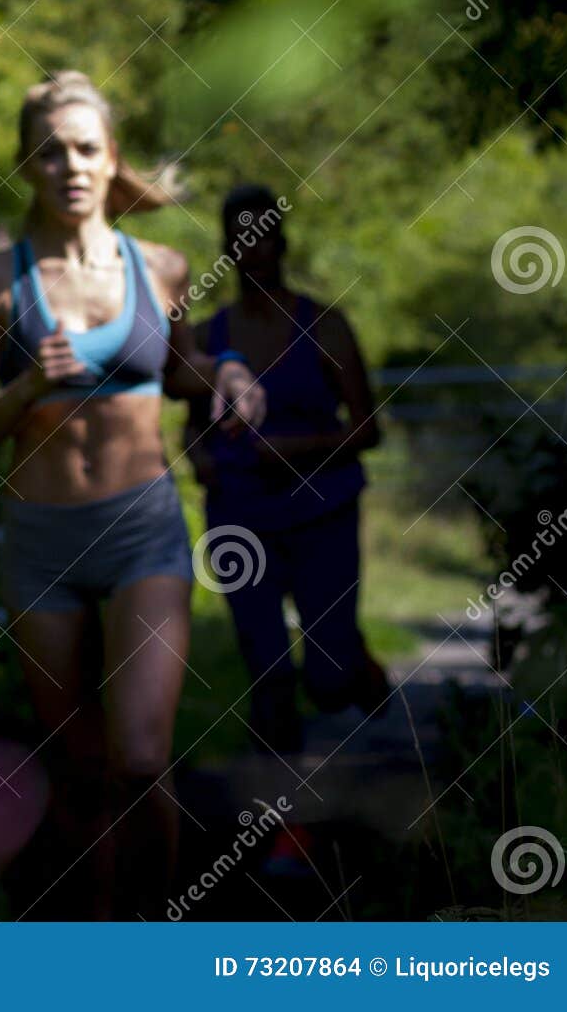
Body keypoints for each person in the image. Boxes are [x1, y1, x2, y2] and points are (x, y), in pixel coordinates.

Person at [0, 71, 265, 919]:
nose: (71, 166)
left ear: (112, 158)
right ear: (28, 163)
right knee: (80, 768)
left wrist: (228, 369)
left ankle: (154, 937)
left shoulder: (161, 266)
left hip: (142, 533)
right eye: (51, 151)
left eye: (87, 148)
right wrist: (26, 391)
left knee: (137, 759)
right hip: (42, 542)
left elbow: (182, 372)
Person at [184, 184, 389, 758]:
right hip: (241, 517)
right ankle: (279, 820)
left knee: (328, 683)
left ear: (282, 243)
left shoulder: (326, 326)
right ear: (226, 249)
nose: (251, 252)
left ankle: (352, 656)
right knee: (268, 673)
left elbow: (368, 429)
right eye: (239, 240)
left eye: (262, 237)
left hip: (322, 509)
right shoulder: (209, 337)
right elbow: (191, 429)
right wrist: (201, 461)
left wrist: (299, 449)